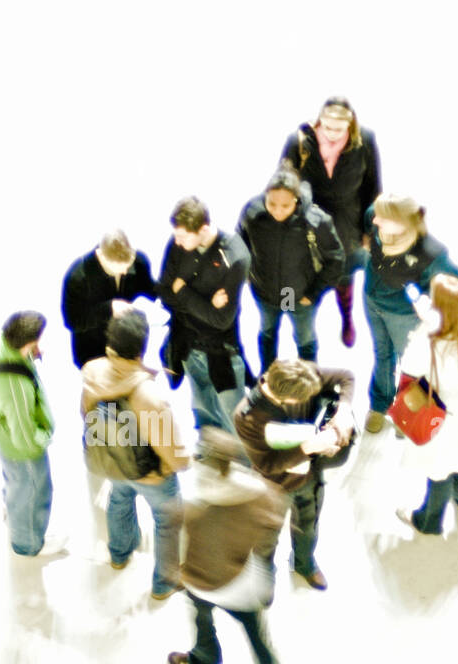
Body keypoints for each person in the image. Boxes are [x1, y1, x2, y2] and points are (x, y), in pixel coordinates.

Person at [166, 427, 288, 664]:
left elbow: (177, 549)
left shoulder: (191, 504)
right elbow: (272, 528)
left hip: (202, 583)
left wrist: (177, 576)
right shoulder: (259, 493)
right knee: (258, 639)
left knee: (202, 619)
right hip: (242, 584)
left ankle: (203, 663)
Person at [81, 308, 190, 599]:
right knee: (167, 521)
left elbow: (85, 412)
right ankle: (164, 583)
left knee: (119, 499)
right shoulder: (149, 397)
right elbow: (173, 453)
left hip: (111, 460)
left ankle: (118, 554)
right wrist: (178, 464)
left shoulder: (92, 371)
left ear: (109, 345)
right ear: (141, 351)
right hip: (150, 474)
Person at [234, 358, 355, 591]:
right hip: (272, 487)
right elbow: (266, 464)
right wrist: (310, 447)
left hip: (308, 479)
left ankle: (303, 564)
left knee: (307, 528)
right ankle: (264, 573)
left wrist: (344, 410)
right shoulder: (247, 417)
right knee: (265, 537)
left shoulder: (300, 375)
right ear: (285, 399)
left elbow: (346, 375)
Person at [356, 193, 458, 434]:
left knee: (410, 364)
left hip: (403, 315)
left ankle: (407, 409)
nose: (375, 222)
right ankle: (379, 405)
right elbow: (368, 224)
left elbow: (455, 281)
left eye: (382, 218)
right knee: (382, 354)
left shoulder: (429, 252)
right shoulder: (374, 216)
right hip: (371, 302)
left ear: (403, 221)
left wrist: (431, 303)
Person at [281, 96, 382, 349]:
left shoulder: (365, 141)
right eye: (327, 127)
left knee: (343, 275)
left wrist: (369, 229)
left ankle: (346, 318)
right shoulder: (300, 141)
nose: (333, 134)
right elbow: (283, 182)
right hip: (309, 220)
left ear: (351, 125)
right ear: (319, 121)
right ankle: (299, 325)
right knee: (303, 275)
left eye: (339, 129)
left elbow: (373, 186)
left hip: (347, 222)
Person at [394, 274, 458, 535]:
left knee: (440, 471)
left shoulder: (429, 340)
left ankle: (428, 521)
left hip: (441, 414)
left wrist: (424, 325)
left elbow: (410, 368)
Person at [157, 196, 253, 434]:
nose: (177, 243)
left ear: (204, 229)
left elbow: (222, 320)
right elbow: (165, 292)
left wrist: (184, 291)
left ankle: (244, 460)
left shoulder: (235, 256)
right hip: (187, 342)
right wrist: (206, 303)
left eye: (182, 237)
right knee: (202, 405)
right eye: (176, 236)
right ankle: (211, 446)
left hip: (220, 348)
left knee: (235, 414)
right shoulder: (177, 243)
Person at [236, 162, 345, 369]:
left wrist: (313, 293)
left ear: (296, 199)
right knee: (267, 333)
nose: (277, 211)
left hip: (297, 293)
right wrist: (248, 274)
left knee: (304, 338)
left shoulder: (315, 221)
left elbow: (336, 259)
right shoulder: (253, 213)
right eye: (271, 204)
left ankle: (308, 381)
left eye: (285, 206)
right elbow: (240, 243)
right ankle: (267, 375)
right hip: (265, 292)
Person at [0, 310, 62, 557]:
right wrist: (43, 439)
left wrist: (30, 354)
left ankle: (13, 512)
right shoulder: (14, 386)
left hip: (3, 437)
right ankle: (27, 543)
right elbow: (24, 437)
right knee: (35, 490)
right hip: (21, 449)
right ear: (25, 343)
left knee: (16, 484)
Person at [61, 229, 157, 369]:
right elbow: (72, 321)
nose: (125, 272)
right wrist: (109, 308)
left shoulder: (138, 261)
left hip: (128, 347)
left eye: (128, 264)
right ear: (102, 257)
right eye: (119, 268)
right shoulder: (78, 276)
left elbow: (149, 288)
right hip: (94, 353)